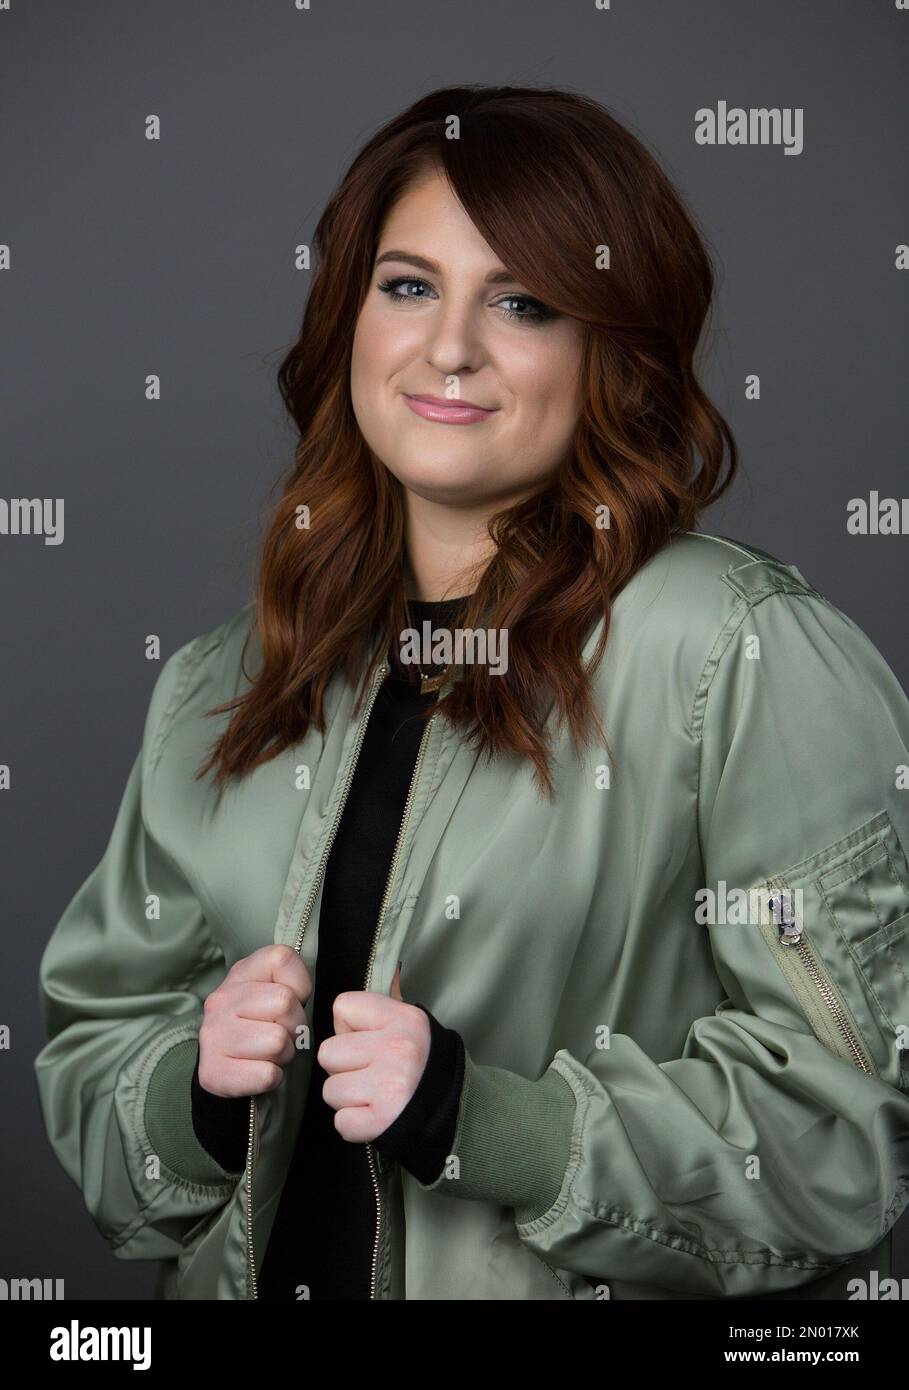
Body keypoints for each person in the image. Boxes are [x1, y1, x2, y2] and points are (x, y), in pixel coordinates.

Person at [34, 84, 909, 1301]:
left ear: (613, 345)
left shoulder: (743, 652)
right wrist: (194, 1094)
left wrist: (482, 1118)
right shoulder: (223, 678)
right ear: (349, 313)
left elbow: (852, 1139)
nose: (450, 347)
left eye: (523, 302)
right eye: (408, 285)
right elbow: (92, 1062)